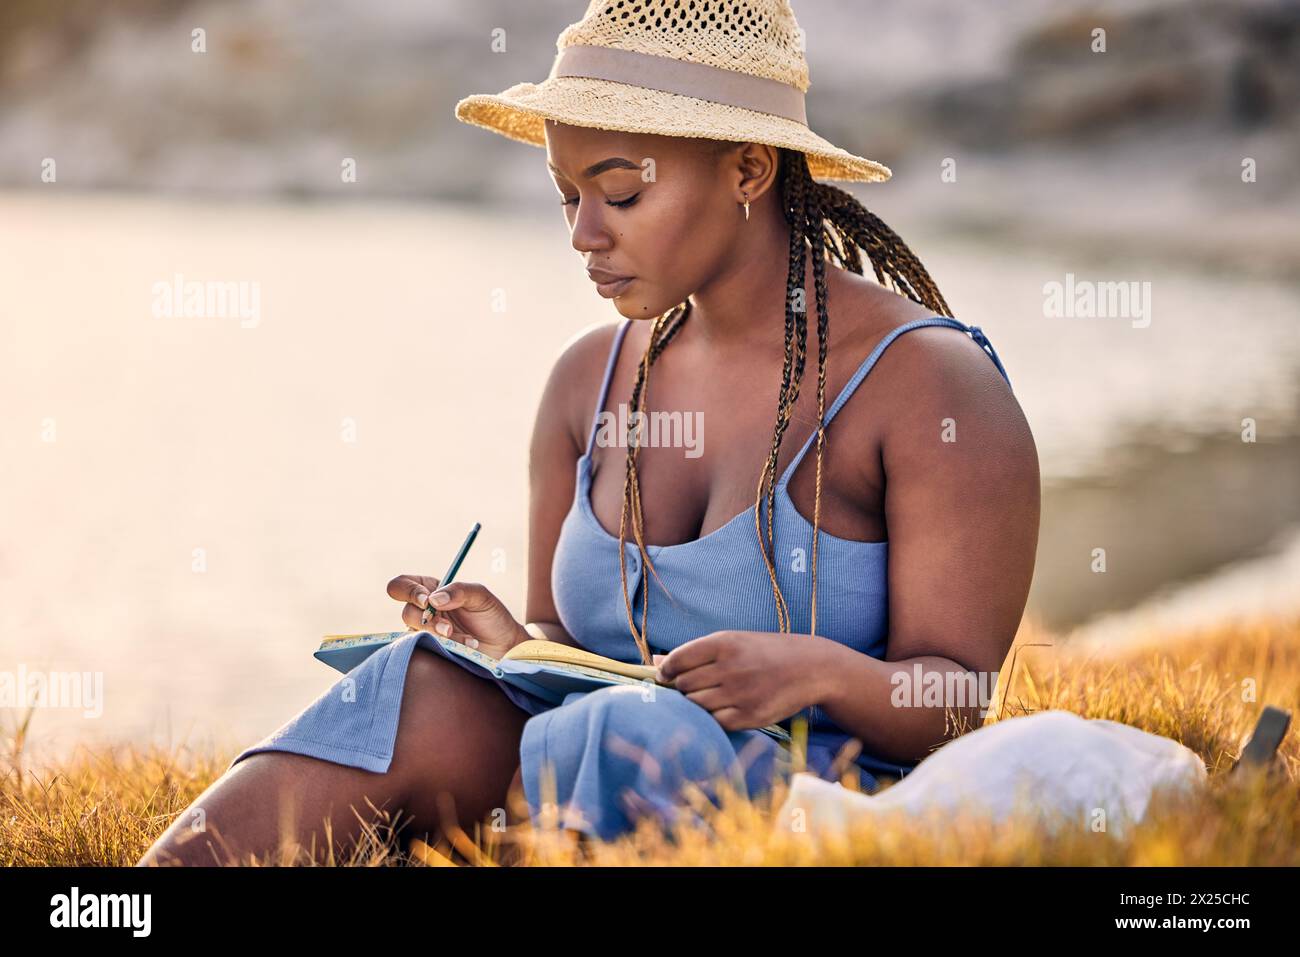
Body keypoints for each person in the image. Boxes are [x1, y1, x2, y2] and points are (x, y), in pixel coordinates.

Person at [139, 0, 1039, 865]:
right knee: (418, 679)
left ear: (749, 170)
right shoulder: (588, 381)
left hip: (813, 801)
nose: (582, 233)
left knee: (627, 730)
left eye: (618, 194)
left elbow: (958, 699)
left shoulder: (925, 386)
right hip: (578, 773)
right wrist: (513, 647)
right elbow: (571, 651)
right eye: (566, 195)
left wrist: (819, 673)